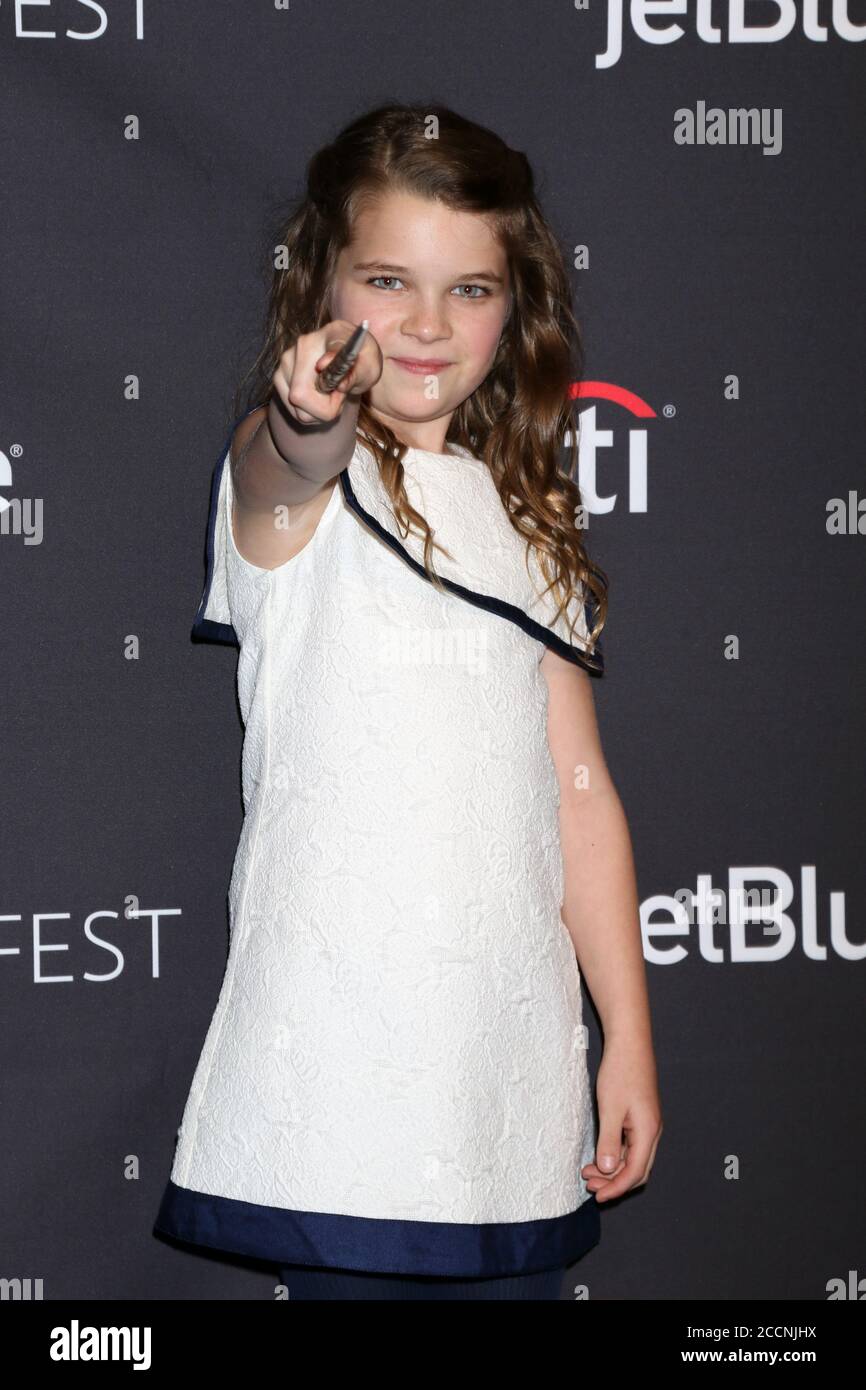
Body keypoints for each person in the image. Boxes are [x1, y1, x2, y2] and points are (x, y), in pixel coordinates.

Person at [153, 103, 662, 1302]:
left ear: (515, 308)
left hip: (509, 1087)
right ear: (321, 286)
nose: (428, 325)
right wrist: (304, 416)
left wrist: (625, 1041)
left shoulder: (529, 523)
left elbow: (577, 797)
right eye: (388, 280)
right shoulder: (289, 480)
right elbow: (288, 459)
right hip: (337, 1095)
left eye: (470, 290)